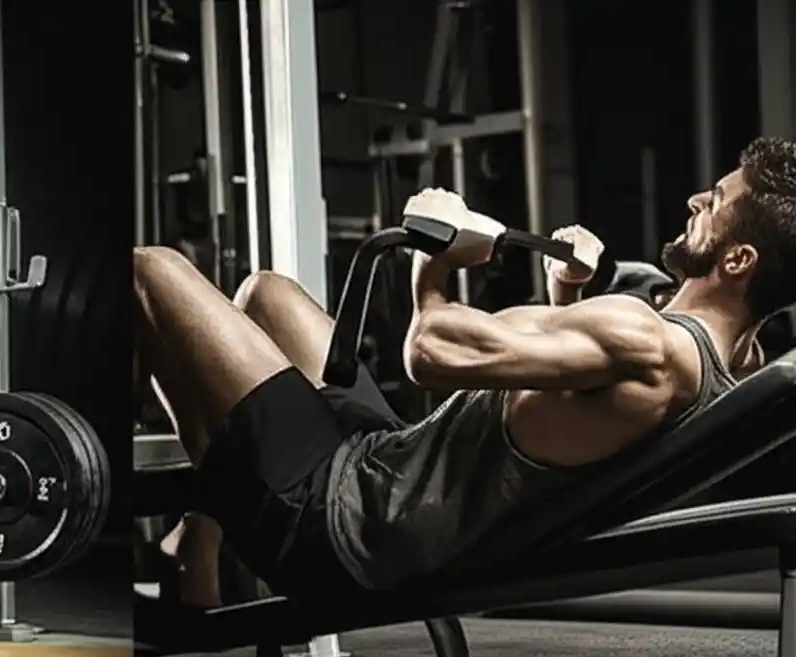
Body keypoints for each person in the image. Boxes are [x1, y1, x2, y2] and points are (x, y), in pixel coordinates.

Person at [135, 136, 796, 609]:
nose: (693, 201)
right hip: (395, 472)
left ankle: (204, 547)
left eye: (713, 201)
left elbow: (430, 354)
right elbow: (576, 413)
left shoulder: (643, 338)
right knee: (267, 294)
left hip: (345, 521)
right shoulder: (737, 365)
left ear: (738, 261)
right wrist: (563, 293)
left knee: (152, 270)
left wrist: (438, 256)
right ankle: (200, 536)